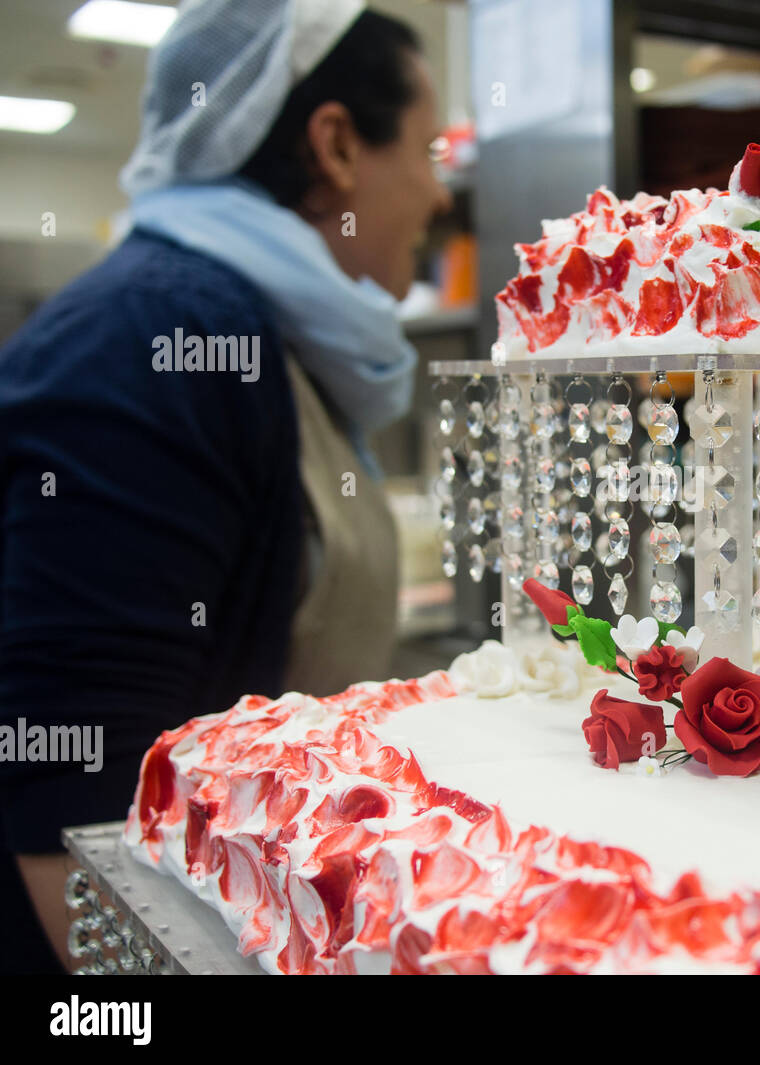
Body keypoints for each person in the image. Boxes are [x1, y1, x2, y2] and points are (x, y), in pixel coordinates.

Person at [0, 0, 449, 972]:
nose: (438, 193)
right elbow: (67, 769)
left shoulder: (263, 337)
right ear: (335, 145)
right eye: (426, 149)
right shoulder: (154, 341)